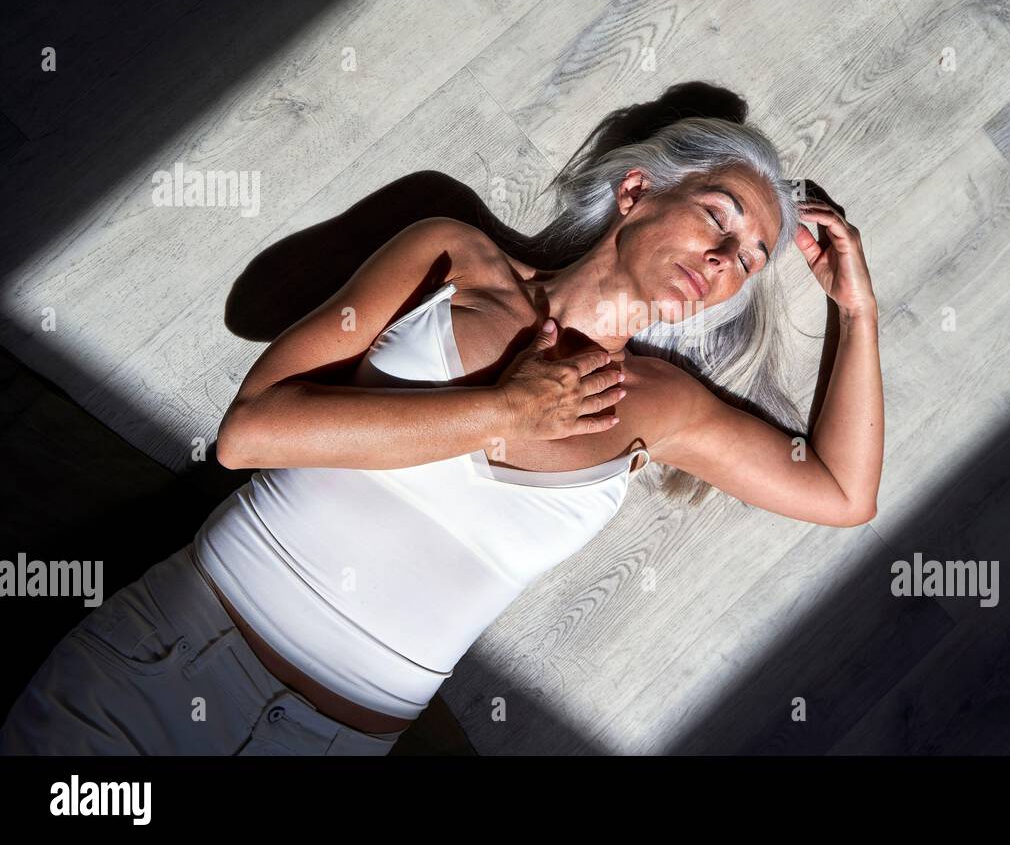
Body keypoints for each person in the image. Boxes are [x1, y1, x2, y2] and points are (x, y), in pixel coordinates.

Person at [0, 116, 883, 754]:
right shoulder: (455, 258)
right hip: (165, 666)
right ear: (636, 192)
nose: (727, 260)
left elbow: (844, 492)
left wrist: (857, 312)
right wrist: (502, 411)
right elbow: (251, 432)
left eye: (751, 260)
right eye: (720, 217)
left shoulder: (661, 406)